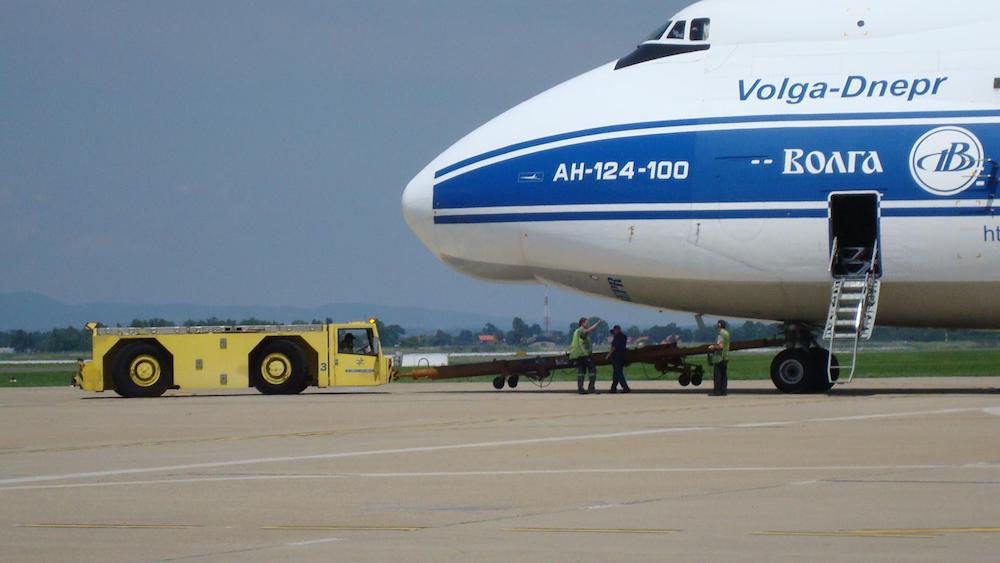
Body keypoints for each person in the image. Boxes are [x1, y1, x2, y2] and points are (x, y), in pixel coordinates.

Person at [569, 317, 603, 394]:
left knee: (581, 371)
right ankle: (591, 388)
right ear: (582, 323)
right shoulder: (581, 330)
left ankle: (580, 389)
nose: (588, 324)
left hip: (578, 354)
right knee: (592, 370)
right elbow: (587, 331)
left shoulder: (577, 331)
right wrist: (597, 324)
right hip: (584, 354)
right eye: (587, 323)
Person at [707, 319, 731, 396]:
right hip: (725, 356)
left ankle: (717, 391)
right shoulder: (727, 333)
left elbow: (720, 346)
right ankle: (724, 391)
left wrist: (712, 346)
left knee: (717, 375)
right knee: (724, 375)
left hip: (719, 357)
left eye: (717, 325)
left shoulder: (720, 334)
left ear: (719, 325)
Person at [607, 324, 630, 393]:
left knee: (618, 373)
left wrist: (608, 355)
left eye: (614, 331)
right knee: (616, 373)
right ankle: (613, 388)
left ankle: (626, 388)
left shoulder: (617, 337)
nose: (613, 333)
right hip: (622, 356)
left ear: (617, 330)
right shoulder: (624, 337)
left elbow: (614, 347)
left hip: (617, 357)